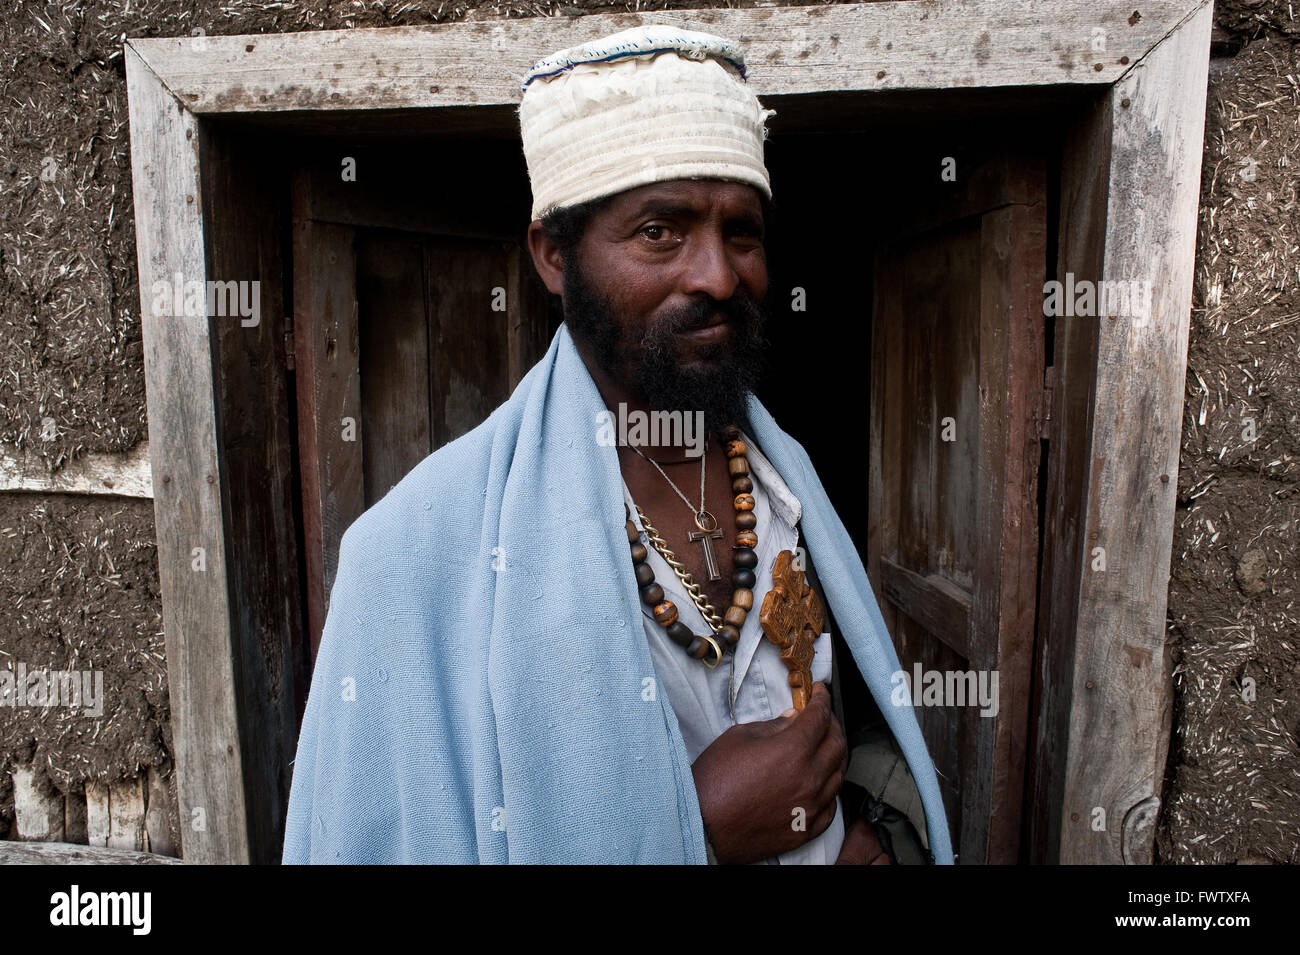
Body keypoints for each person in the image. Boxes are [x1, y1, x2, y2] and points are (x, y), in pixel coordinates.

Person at [283, 24, 953, 865]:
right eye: (661, 232)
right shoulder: (411, 555)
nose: (717, 274)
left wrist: (868, 832)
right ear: (554, 256)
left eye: (741, 232)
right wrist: (691, 831)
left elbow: (842, 722)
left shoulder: (791, 485)